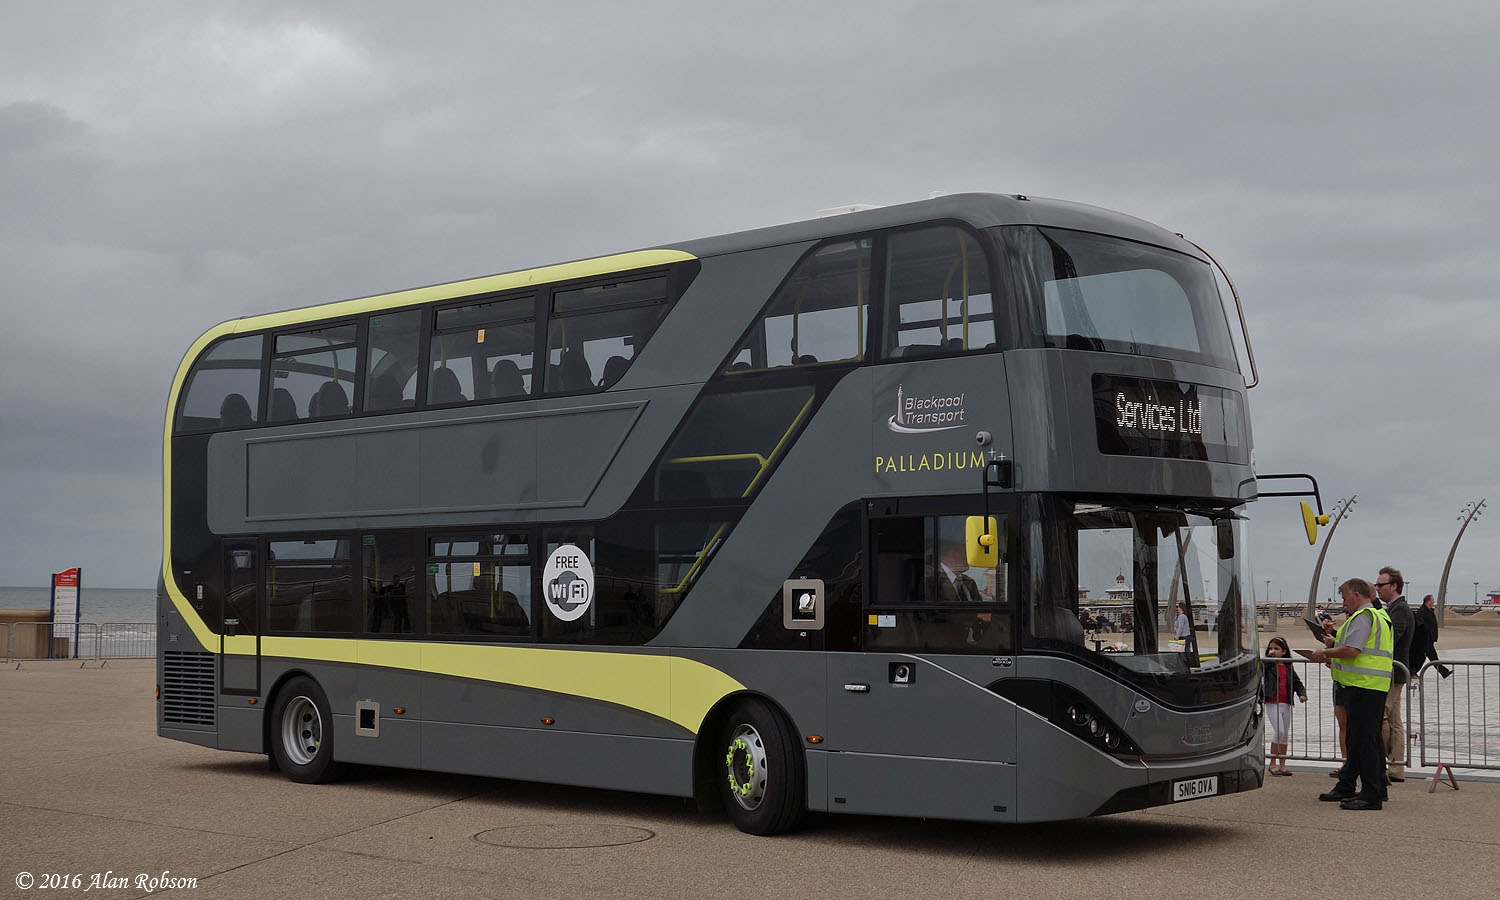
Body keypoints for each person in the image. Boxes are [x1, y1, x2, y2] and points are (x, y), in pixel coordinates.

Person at [1308, 578, 1393, 810]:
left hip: (1364, 686)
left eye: (1344, 596)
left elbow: (1353, 650)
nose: (1343, 601)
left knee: (1364, 741)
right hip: (1368, 685)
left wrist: (1325, 653)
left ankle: (1370, 795)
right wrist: (1334, 644)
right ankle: (1364, 788)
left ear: (1357, 595)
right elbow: (1358, 648)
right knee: (1365, 740)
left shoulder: (1364, 616)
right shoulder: (1377, 616)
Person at [1375, 567, 1413, 782]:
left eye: (1381, 585)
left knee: (1382, 716)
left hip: (1392, 673)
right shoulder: (1393, 608)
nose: (1377, 588)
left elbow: (1390, 640)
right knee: (1395, 721)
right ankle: (1396, 767)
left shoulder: (1399, 609)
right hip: (1395, 672)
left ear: (1394, 586)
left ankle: (1383, 760)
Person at [1262, 636, 1307, 775]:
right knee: (1279, 731)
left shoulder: (1288, 667)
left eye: (1276, 648)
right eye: (1270, 648)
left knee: (1285, 734)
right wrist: (1268, 660)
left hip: (1286, 702)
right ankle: (1272, 763)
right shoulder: (1267, 666)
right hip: (1272, 702)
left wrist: (1302, 694)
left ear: (1284, 651)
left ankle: (1282, 764)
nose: (1273, 651)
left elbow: (1297, 683)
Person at [1410, 594, 1452, 679]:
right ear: (1428, 601)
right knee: (1425, 657)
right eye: (1432, 600)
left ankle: (1444, 672)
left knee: (1430, 657)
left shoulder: (1430, 611)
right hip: (1425, 639)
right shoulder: (1422, 611)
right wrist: (1426, 635)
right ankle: (1412, 672)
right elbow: (1421, 625)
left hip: (1429, 639)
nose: (1433, 602)